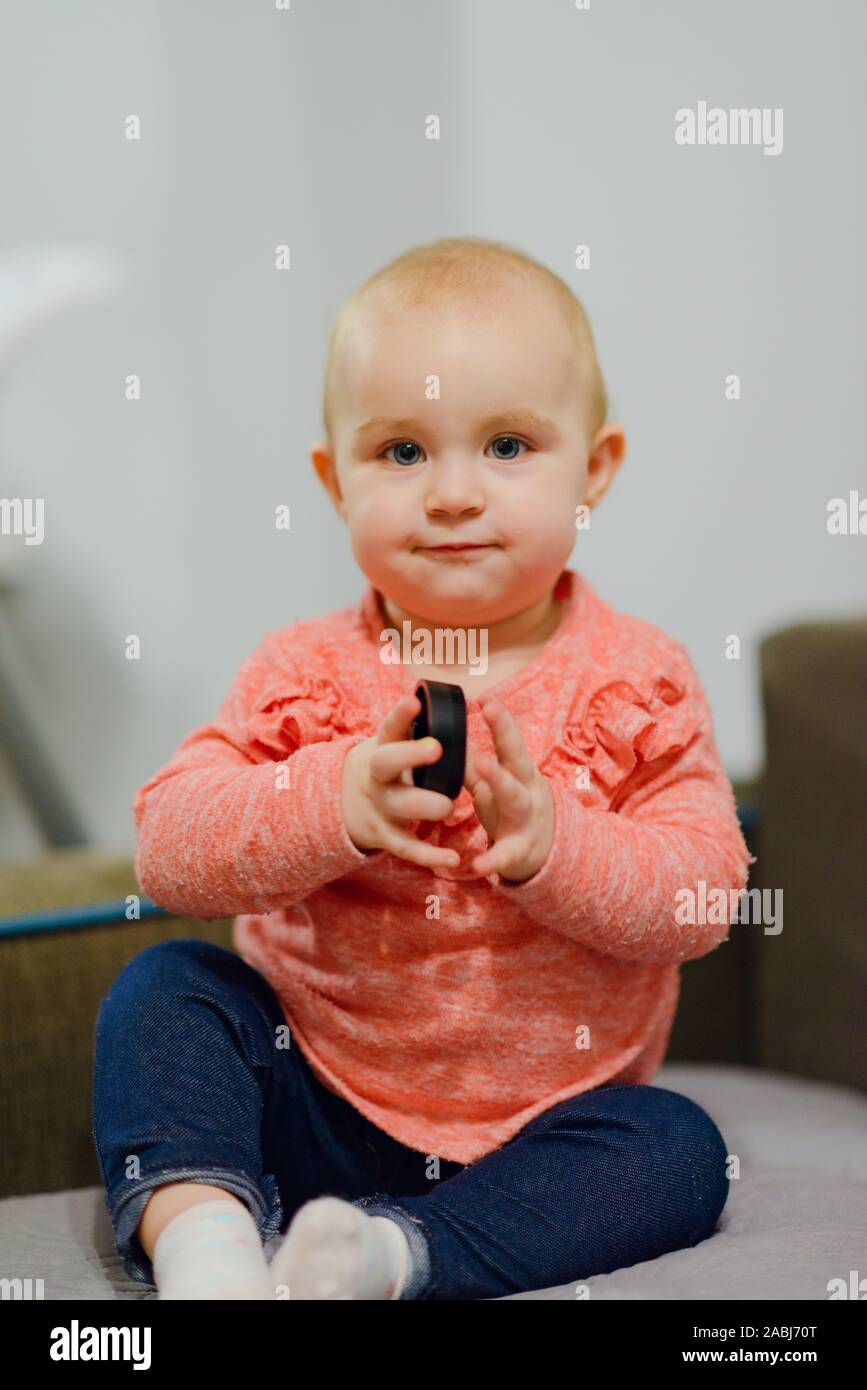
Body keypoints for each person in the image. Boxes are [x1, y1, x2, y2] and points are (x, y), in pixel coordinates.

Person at [92, 236, 753, 1300]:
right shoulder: (301, 672)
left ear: (595, 470)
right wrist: (327, 800)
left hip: (546, 1128)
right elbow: (168, 846)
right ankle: (207, 1247)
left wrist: (559, 848)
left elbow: (708, 890)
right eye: (401, 452)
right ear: (334, 478)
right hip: (309, 1095)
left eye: (505, 445)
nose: (451, 494)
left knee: (679, 1147)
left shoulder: (638, 680)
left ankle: (387, 1259)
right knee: (167, 990)